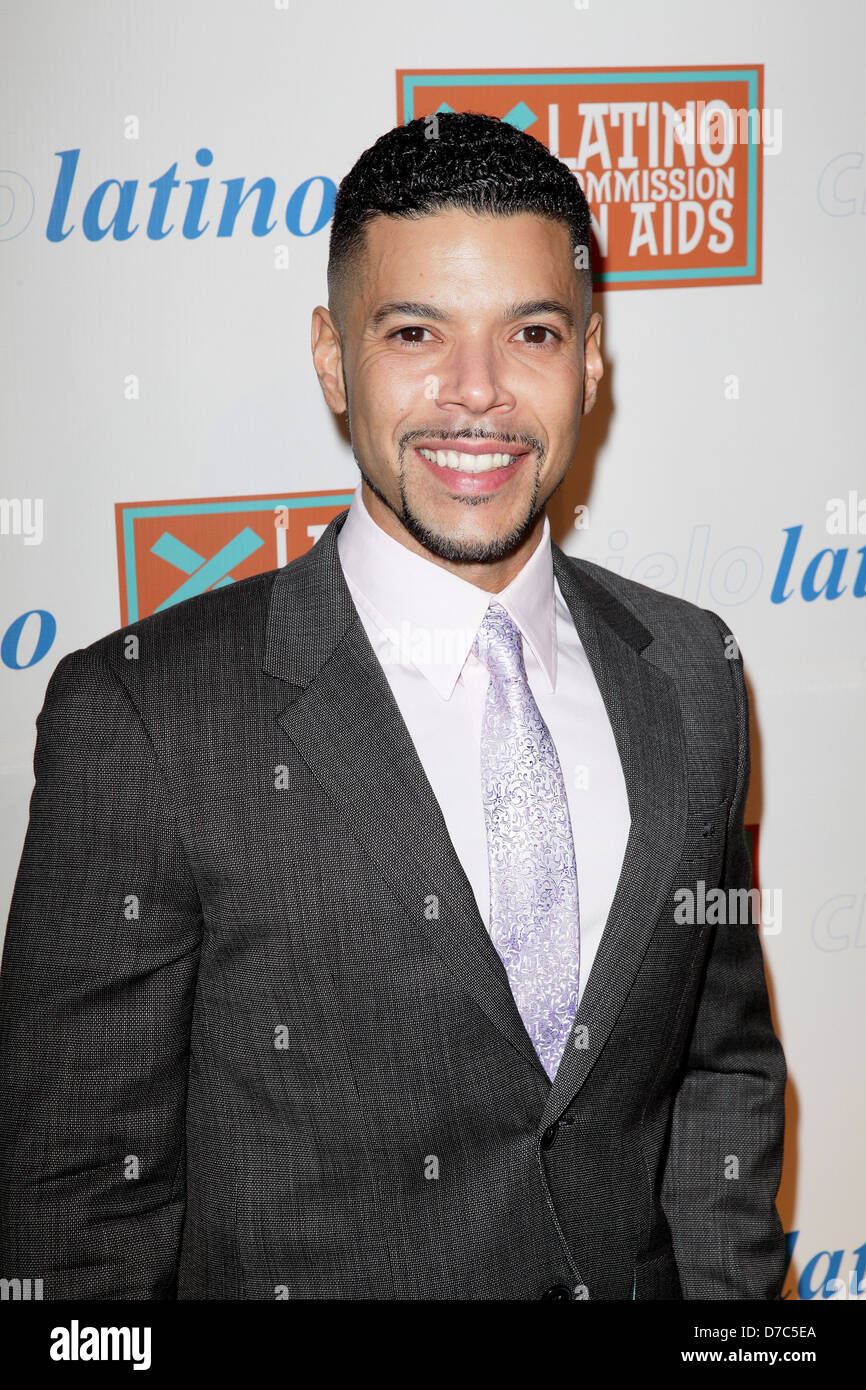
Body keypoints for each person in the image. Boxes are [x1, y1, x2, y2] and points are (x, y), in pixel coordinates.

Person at [0, 112, 786, 1300]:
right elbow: (73, 1220)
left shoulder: (689, 669)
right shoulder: (146, 715)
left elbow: (717, 1069)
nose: (475, 395)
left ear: (587, 361)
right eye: (414, 331)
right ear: (331, 357)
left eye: (530, 332)